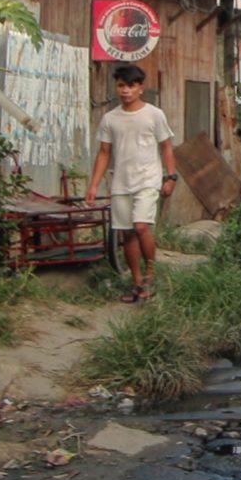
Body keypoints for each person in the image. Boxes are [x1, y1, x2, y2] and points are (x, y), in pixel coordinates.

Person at [84, 64, 178, 302]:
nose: (125, 90)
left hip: (147, 179)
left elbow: (166, 146)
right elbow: (104, 153)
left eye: (131, 86)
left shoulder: (154, 115)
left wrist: (171, 176)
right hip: (121, 183)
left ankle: (150, 274)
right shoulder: (110, 119)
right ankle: (136, 283)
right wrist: (94, 185)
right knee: (127, 234)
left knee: (141, 226)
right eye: (121, 86)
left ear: (140, 88)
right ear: (117, 88)